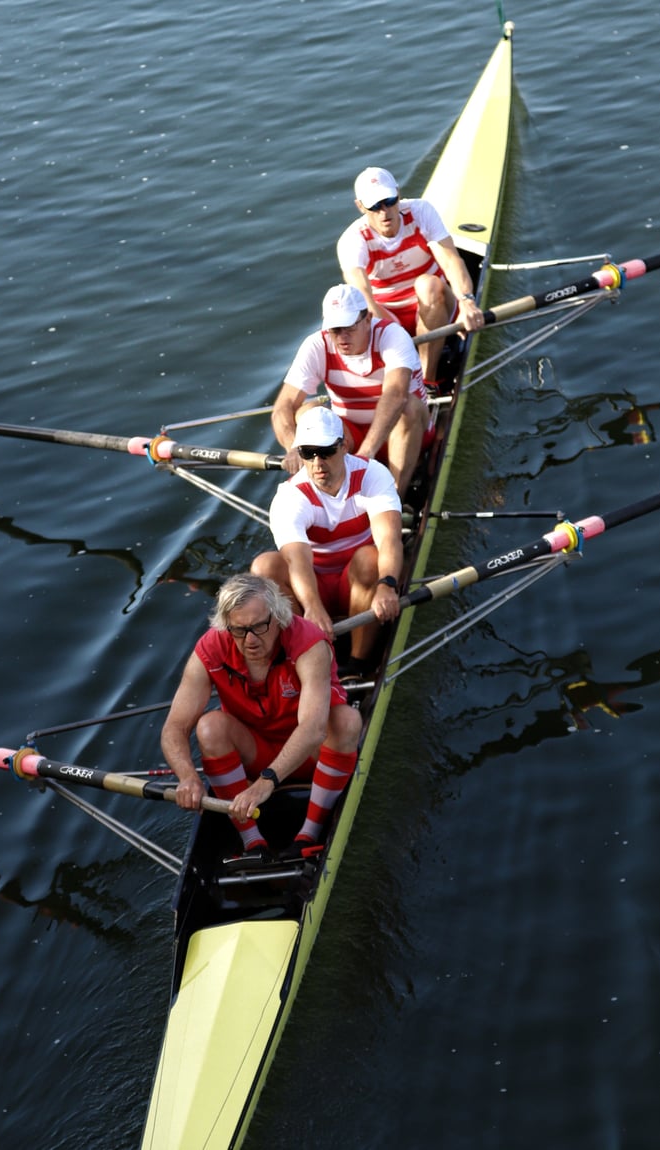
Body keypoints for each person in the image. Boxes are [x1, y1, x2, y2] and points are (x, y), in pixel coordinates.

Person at [161, 572, 362, 863]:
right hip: (257, 754)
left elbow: (313, 729)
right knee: (209, 727)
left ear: (278, 617)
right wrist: (188, 777)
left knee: (346, 721)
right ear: (226, 625)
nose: (251, 640)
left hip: (311, 753)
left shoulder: (308, 643)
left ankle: (310, 833)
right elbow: (174, 728)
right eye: (239, 630)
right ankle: (252, 842)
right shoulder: (210, 648)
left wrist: (266, 783)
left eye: (259, 626)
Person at [252, 405, 404, 679]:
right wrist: (312, 605)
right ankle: (308, 652)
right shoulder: (291, 496)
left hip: (360, 580)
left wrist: (388, 584)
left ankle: (358, 664)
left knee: (370, 558)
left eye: (325, 451)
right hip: (313, 586)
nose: (317, 463)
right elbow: (297, 562)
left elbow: (389, 539)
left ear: (344, 447)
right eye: (307, 453)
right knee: (264, 567)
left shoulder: (372, 475)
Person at [271, 283, 430, 499]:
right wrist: (295, 448)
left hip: (405, 433)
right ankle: (332, 496)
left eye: (349, 327)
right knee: (308, 413)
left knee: (408, 406)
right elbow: (283, 407)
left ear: (368, 319)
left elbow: (396, 395)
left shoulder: (392, 336)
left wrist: (367, 453)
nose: (342, 337)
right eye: (335, 329)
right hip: (349, 438)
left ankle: (394, 499)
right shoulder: (316, 345)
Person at [336, 165, 486, 388]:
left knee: (428, 285)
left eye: (389, 201)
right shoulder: (353, 240)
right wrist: (388, 337)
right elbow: (363, 296)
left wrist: (467, 302)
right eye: (375, 206)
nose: (384, 211)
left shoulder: (421, 211)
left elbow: (451, 261)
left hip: (436, 304)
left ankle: (426, 381)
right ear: (360, 206)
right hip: (389, 317)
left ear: (398, 193)